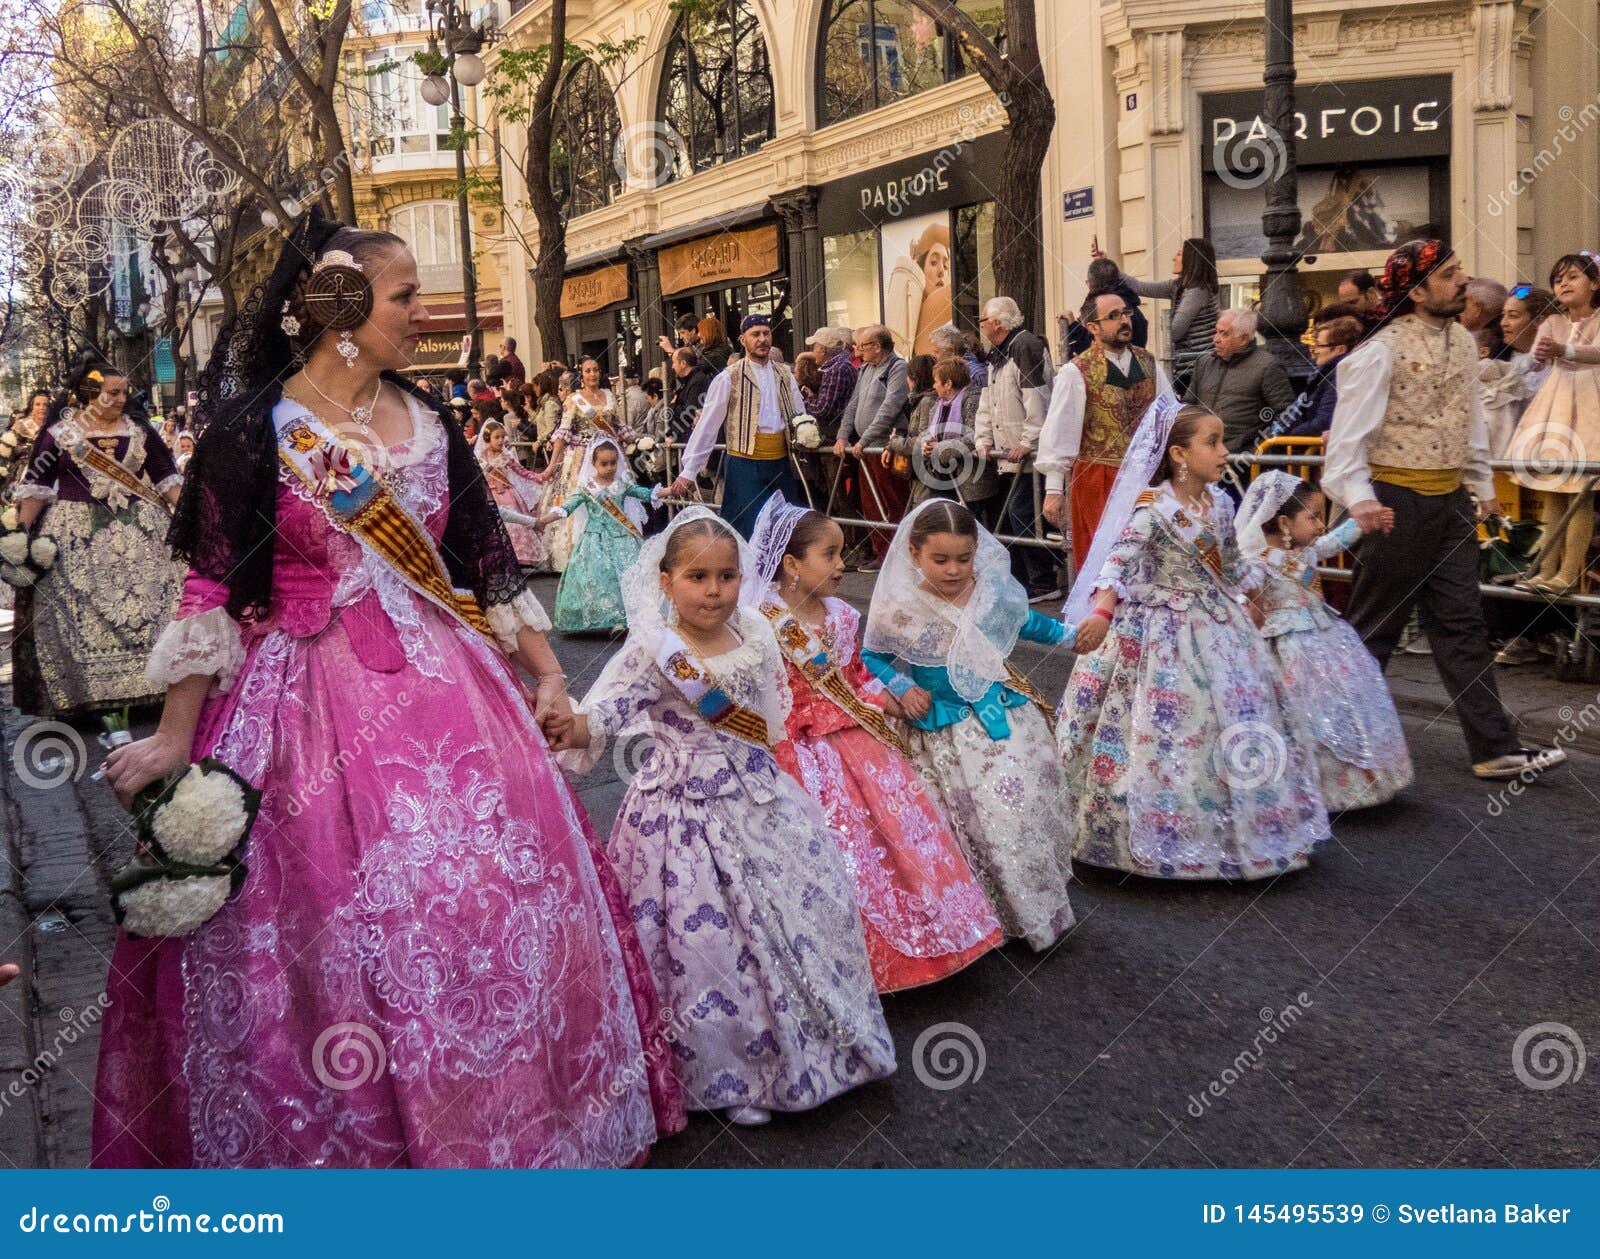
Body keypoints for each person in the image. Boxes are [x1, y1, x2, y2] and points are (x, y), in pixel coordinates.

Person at [94, 210, 683, 1168]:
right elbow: (209, 588)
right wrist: (171, 738)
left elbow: (485, 568)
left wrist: (544, 677)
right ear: (337, 306)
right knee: (329, 921)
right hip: (303, 697)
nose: (423, 311)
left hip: (454, 685)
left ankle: (512, 1120)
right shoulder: (256, 432)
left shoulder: (432, 417)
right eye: (405, 295)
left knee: (491, 895)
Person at [547, 507, 897, 1126]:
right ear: (666, 582)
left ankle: (805, 1045)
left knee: (799, 913)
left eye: (727, 576)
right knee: (703, 943)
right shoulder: (652, 649)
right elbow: (599, 719)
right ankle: (730, 1069)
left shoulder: (758, 635)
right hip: (677, 812)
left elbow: (769, 717)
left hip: (761, 797)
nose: (714, 590)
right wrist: (562, 723)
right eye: (698, 577)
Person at [1324, 239, 1567, 780]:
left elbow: (1471, 422)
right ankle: (1331, 746)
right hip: (1396, 502)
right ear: (1415, 290)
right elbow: (1345, 443)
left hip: (1451, 502)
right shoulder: (1379, 350)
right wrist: (1361, 500)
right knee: (1375, 629)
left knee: (1462, 626)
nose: (1462, 280)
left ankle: (1494, 747)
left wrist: (1481, 486)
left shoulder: (1462, 341)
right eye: (1450, 273)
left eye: (1458, 270)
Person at [1058, 401, 1330, 879]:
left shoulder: (1222, 504)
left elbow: (1232, 564)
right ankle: (1153, 835)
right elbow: (1119, 561)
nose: (1226, 452)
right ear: (1179, 454)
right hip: (1159, 633)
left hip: (1218, 626)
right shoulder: (1154, 508)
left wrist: (1258, 591)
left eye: (1224, 440)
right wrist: (1102, 610)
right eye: (1214, 442)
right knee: (1169, 731)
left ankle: (1239, 833)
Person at [750, 495, 1001, 991]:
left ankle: (933, 935)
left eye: (841, 553)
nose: (843, 565)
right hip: (796, 749)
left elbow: (855, 675)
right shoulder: (759, 622)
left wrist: (895, 698)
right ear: (792, 564)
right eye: (831, 554)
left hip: (855, 739)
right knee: (835, 844)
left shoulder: (842, 616)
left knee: (899, 833)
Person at [861, 500, 1077, 951]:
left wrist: (1072, 636)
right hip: (941, 733)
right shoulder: (901, 607)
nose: (954, 570)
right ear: (914, 553)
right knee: (958, 828)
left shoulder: (991, 593)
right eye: (940, 560)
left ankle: (1034, 912)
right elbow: (872, 655)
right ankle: (978, 922)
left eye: (963, 559)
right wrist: (901, 686)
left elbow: (1025, 623)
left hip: (1001, 720)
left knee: (1017, 815)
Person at [12, 365, 185, 717]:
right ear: (89, 394)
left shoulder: (140, 431)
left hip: (143, 531)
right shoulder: (61, 434)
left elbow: (167, 479)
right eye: (113, 393)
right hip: (74, 534)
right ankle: (86, 695)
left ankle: (156, 687)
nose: (122, 399)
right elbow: (36, 487)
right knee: (76, 610)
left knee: (158, 601)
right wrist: (19, 533)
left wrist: (194, 521)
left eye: (125, 393)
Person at [1236, 472, 1413, 810]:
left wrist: (1363, 524)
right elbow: (1245, 595)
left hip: (1325, 635)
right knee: (1298, 710)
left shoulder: (1306, 550)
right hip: (1285, 646)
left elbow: (1331, 542)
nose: (1319, 525)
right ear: (1284, 522)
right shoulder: (1255, 563)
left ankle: (1354, 780)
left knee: (1344, 702)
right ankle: (1300, 786)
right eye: (1313, 517)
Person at [1038, 290, 1171, 574]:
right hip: (1097, 478)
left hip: (1145, 477)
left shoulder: (1149, 363)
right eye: (1113, 316)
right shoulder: (1077, 372)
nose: (1124, 320)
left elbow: (1169, 416)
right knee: (1103, 564)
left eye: (1125, 313)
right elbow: (1060, 431)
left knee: (1149, 561)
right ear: (1093, 328)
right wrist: (1053, 489)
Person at [1506, 253, 1600, 595]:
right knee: (1552, 493)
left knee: (1581, 492)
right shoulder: (1551, 323)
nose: (1564, 283)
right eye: (1558, 278)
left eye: (1573, 276)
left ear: (1595, 283)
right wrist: (1539, 356)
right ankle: (1545, 569)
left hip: (1591, 407)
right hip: (1556, 407)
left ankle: (1567, 574)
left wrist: (1565, 350)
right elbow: (1533, 364)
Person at [668, 314, 806, 538]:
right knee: (746, 530)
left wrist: (807, 434)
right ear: (743, 340)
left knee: (784, 528)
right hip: (744, 465)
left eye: (766, 333)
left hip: (779, 463)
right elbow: (708, 425)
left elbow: (799, 415)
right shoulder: (728, 378)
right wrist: (690, 470)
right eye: (755, 335)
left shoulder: (785, 375)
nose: (762, 339)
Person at [974, 296, 1058, 599]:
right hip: (1009, 451)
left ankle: (1044, 579)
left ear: (997, 322)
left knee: (1021, 512)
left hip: (1026, 453)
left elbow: (1037, 397)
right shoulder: (998, 353)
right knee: (1014, 514)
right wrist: (982, 437)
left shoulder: (1024, 346)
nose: (981, 325)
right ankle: (1028, 577)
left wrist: (1028, 441)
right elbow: (988, 400)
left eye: (983, 319)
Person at [541, 435, 659, 633]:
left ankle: (623, 620)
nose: (610, 467)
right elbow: (568, 507)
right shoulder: (587, 488)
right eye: (604, 463)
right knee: (599, 576)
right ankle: (601, 616)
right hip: (594, 538)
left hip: (622, 537)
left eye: (613, 463)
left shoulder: (621, 484)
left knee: (626, 575)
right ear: (594, 463)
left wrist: (668, 490)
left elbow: (643, 493)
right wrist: (544, 520)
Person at [1092, 236, 1219, 388]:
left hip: (1194, 370)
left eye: (1179, 254)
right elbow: (1140, 287)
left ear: (1192, 260)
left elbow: (1175, 332)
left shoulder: (1197, 292)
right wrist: (1108, 266)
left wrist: (1165, 325)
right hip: (1188, 367)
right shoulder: (1178, 286)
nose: (1174, 258)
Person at [538, 357, 623, 570]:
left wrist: (641, 441)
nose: (592, 374)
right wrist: (552, 465)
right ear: (582, 375)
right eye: (588, 371)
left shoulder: (610, 396)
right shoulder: (575, 400)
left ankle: (611, 549)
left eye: (595, 370)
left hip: (608, 455)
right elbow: (563, 433)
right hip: (581, 458)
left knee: (612, 499)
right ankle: (577, 552)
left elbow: (619, 426)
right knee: (580, 502)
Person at [834, 325, 909, 565]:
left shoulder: (897, 368)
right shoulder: (865, 369)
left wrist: (864, 439)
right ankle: (880, 552)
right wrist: (843, 436)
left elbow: (890, 407)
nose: (857, 351)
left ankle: (896, 556)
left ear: (877, 346)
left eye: (862, 346)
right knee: (870, 503)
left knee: (892, 499)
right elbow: (853, 404)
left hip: (887, 446)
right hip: (864, 449)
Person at [886, 357, 994, 512]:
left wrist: (940, 448)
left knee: (969, 530)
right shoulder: (938, 404)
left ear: (948, 384)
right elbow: (928, 434)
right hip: (943, 480)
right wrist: (926, 445)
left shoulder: (972, 400)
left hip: (970, 483)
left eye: (936, 381)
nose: (934, 385)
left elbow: (973, 438)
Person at [1183, 308, 1295, 455]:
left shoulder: (1267, 366)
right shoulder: (1204, 362)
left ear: (1243, 339)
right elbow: (1189, 406)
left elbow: (1287, 415)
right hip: (1201, 453)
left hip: (1240, 457)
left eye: (1225, 334)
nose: (1216, 339)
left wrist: (1257, 448)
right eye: (1216, 331)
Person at [1479, 284, 1560, 459]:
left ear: (1540, 321)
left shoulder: (1559, 366)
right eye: (1503, 315)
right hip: (1503, 460)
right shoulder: (1498, 363)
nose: (1503, 323)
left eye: (1513, 316)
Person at [1259, 315, 1365, 441]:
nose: (1314, 350)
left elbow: (1324, 421)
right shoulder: (1326, 374)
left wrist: (1290, 437)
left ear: (1340, 349)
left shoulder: (1337, 375)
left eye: (1319, 345)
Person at [475, 418, 549, 570]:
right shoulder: (481, 458)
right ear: (487, 438)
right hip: (491, 495)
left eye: (503, 437)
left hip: (509, 494)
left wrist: (540, 476)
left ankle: (520, 556)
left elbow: (521, 472)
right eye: (497, 437)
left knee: (514, 522)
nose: (501, 440)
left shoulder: (506, 456)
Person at [883, 222, 953, 356]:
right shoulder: (933, 304)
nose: (941, 272)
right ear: (919, 268)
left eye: (945, 266)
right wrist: (919, 248)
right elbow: (936, 231)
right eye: (933, 262)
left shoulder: (912, 312)